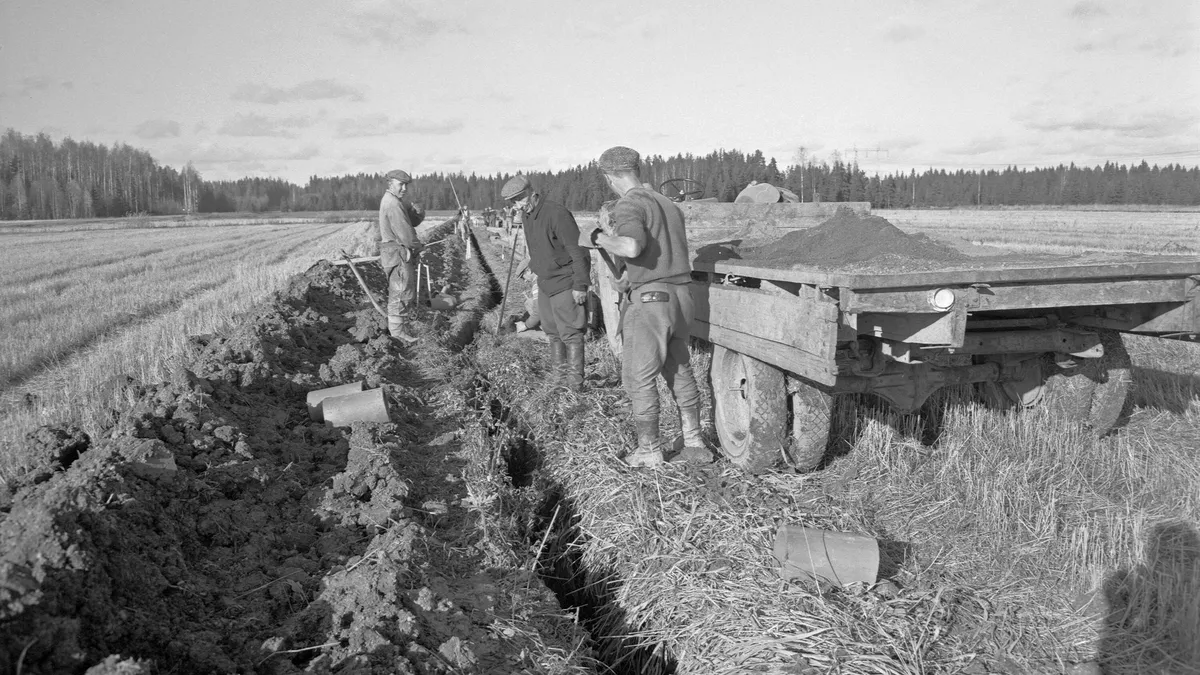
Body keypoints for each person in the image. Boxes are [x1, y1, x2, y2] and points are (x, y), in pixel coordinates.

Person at [587, 146, 707, 468]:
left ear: (611, 176)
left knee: (637, 377)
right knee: (680, 370)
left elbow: (631, 245)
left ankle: (650, 450)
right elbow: (660, 256)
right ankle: (694, 441)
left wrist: (600, 238)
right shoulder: (668, 204)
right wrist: (630, 280)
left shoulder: (630, 203)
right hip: (682, 297)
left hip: (653, 304)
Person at [500, 174, 590, 391]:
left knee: (571, 333)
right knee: (552, 331)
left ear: (530, 193)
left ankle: (575, 385)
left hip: (565, 281)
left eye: (518, 199)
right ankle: (559, 381)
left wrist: (580, 285)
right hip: (545, 283)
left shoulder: (556, 214)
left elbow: (578, 252)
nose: (516, 205)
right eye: (512, 202)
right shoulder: (528, 217)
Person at [377, 169, 425, 344]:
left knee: (402, 291)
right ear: (390, 184)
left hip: (396, 252)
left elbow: (411, 222)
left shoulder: (395, 201)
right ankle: (397, 335)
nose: (404, 188)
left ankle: (400, 330)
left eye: (406, 185)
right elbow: (405, 234)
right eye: (400, 184)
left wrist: (417, 211)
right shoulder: (392, 204)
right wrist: (418, 246)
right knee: (400, 291)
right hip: (397, 252)